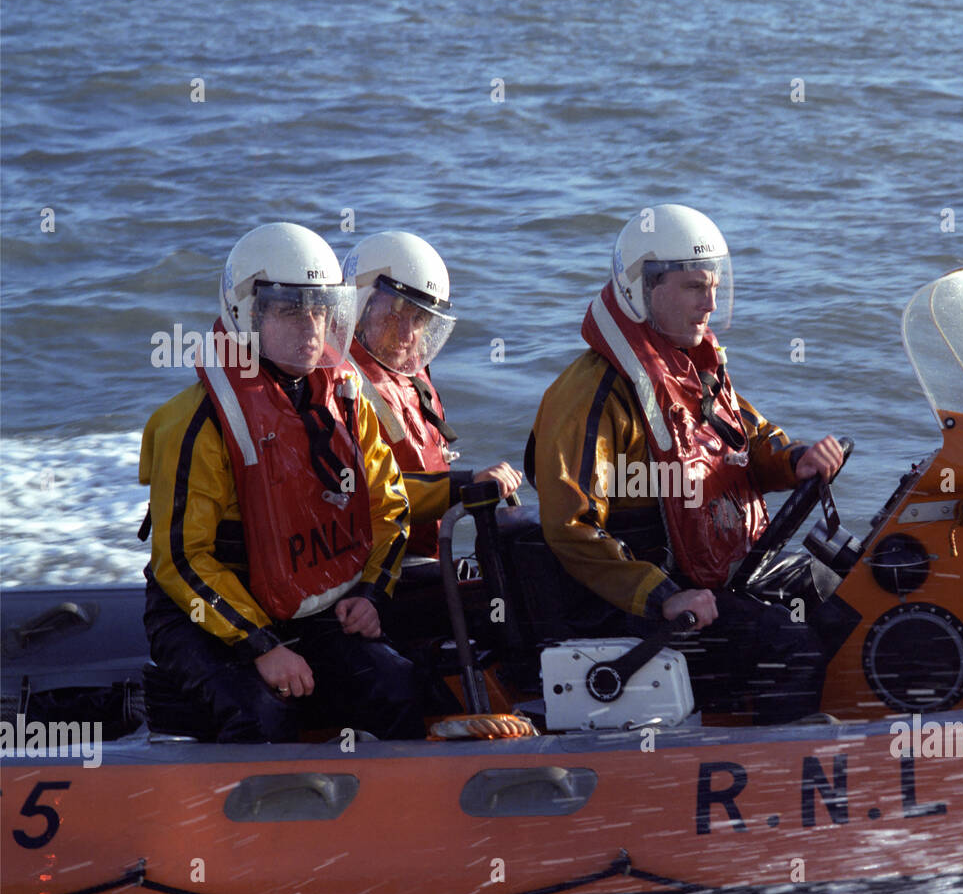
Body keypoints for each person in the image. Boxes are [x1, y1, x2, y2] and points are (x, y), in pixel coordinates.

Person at [528, 204, 844, 724]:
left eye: (715, 287)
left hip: (710, 575)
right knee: (789, 646)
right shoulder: (590, 394)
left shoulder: (694, 366)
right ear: (644, 289)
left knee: (833, 588)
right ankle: (778, 772)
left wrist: (798, 461)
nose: (711, 304)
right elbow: (570, 526)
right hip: (640, 599)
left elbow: (747, 441)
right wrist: (661, 597)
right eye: (696, 288)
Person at [139, 221, 426, 743]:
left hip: (309, 601)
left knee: (397, 685)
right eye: (291, 310)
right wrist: (261, 645)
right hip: (204, 614)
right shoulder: (198, 422)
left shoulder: (345, 403)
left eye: (320, 309)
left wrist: (370, 593)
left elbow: (389, 507)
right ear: (247, 313)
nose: (312, 328)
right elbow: (182, 560)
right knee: (259, 718)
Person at [341, 230, 521, 559]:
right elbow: (360, 492)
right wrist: (464, 484)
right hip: (376, 570)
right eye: (395, 314)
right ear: (360, 305)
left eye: (419, 318)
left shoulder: (413, 377)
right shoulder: (337, 386)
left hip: (426, 557)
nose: (408, 335)